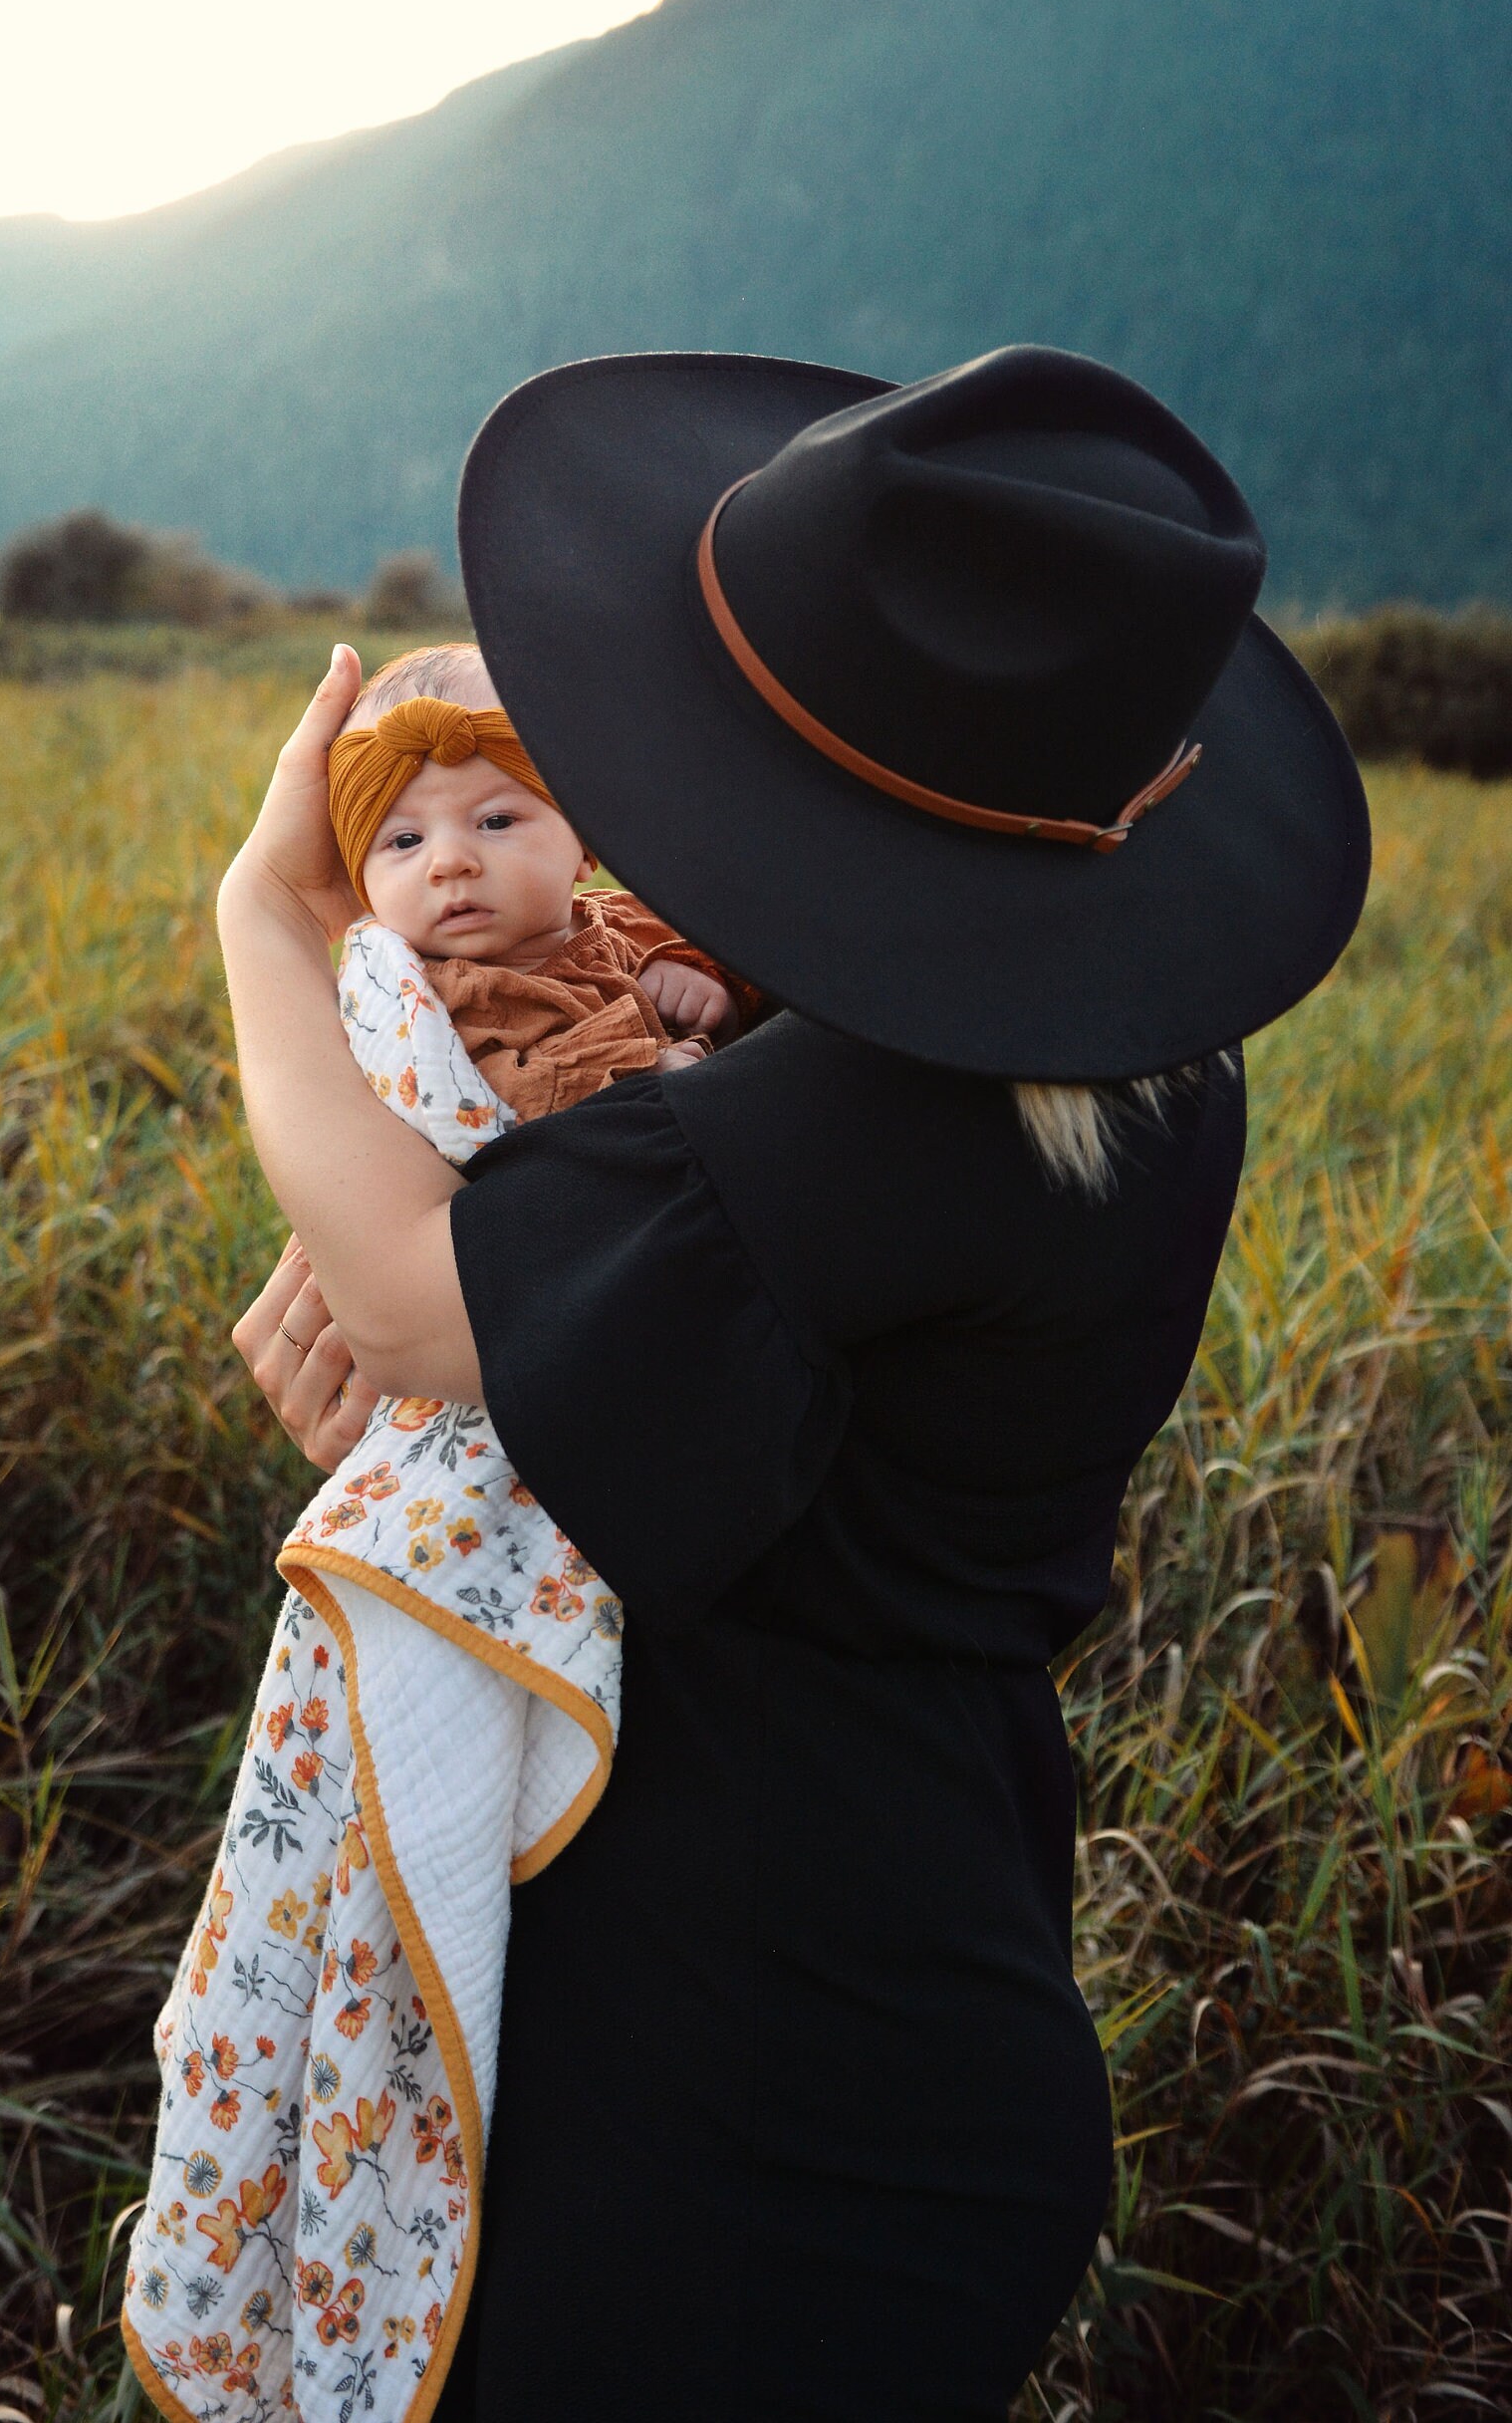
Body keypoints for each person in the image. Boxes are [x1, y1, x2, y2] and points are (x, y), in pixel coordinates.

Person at [215, 344, 1370, 2419]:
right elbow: (614, 1325)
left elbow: (401, 1302)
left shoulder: (832, 1130)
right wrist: (520, 1354)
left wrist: (272, 922)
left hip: (721, 2121)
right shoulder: (1138, 1084)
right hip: (920, 1998)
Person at [327, 638, 758, 1113]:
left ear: (583, 840)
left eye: (496, 822)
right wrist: (637, 1076)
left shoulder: (633, 920)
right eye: (405, 841)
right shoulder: (423, 1004)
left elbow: (756, 1002)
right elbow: (489, 1095)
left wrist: (708, 992)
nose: (449, 863)